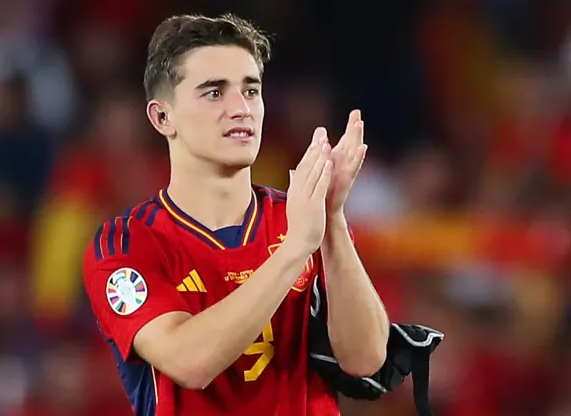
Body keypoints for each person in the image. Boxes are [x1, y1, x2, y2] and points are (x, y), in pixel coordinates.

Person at [82, 13, 390, 416]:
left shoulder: (303, 216)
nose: (241, 108)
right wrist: (295, 249)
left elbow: (365, 359)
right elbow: (189, 362)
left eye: (251, 90)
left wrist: (332, 218)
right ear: (162, 117)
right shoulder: (126, 244)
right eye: (214, 93)